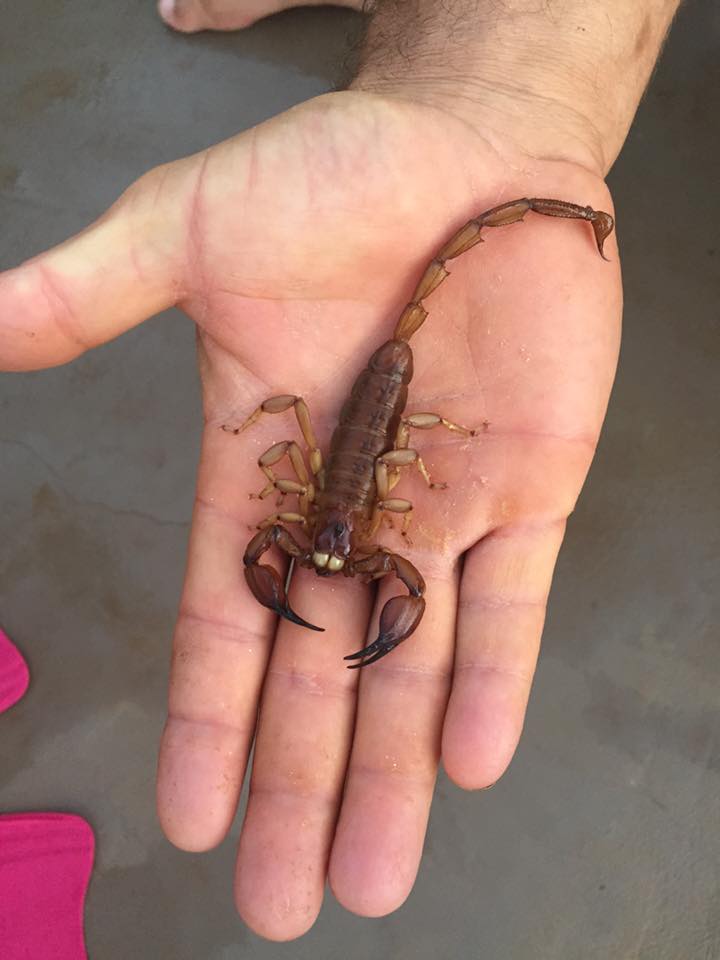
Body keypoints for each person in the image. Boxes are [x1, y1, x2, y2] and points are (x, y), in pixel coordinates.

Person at [0, 0, 681, 942]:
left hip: (388, 398)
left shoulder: (333, 521)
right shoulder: (342, 534)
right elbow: (358, 535)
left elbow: (340, 489)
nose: (325, 564)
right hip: (371, 420)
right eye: (327, 559)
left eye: (324, 558)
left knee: (380, 473)